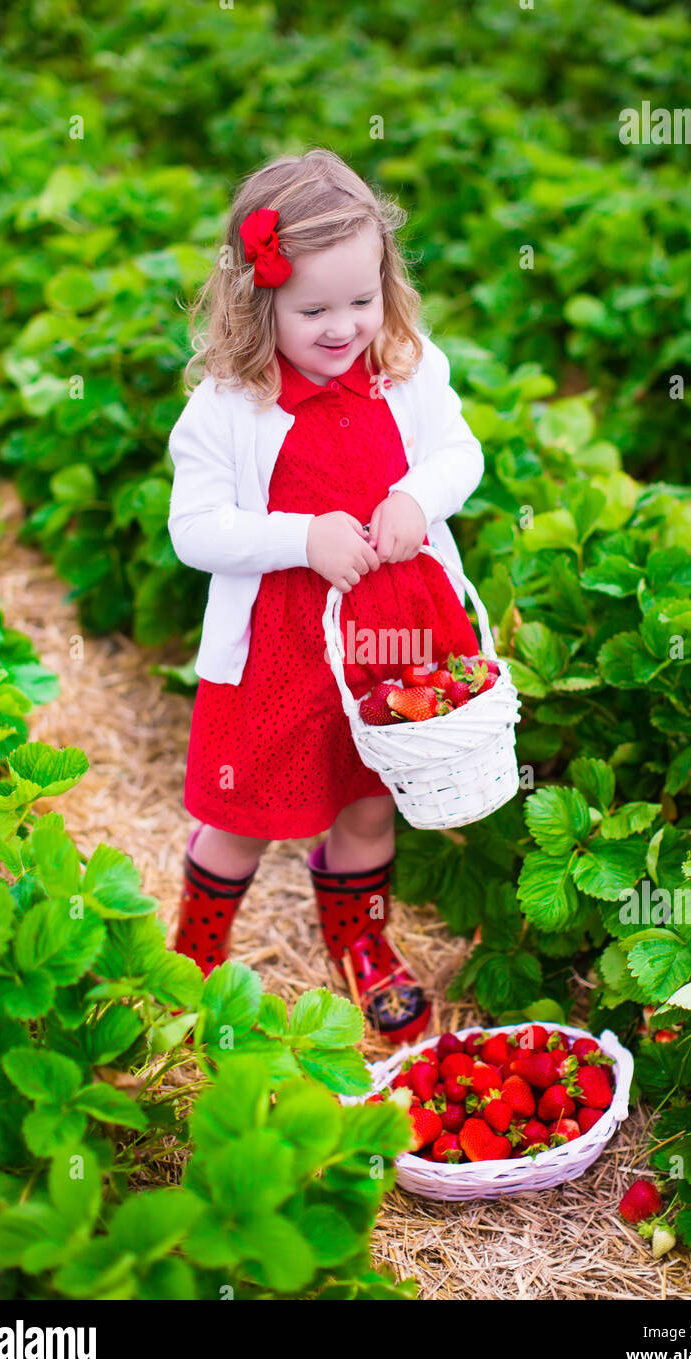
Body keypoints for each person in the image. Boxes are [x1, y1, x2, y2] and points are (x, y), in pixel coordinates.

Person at [166, 147, 484, 1044]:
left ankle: (362, 949)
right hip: (277, 647)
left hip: (388, 632)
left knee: (365, 800)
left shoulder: (409, 367)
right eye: (314, 310)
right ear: (257, 302)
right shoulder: (228, 406)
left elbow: (462, 456)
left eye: (361, 300)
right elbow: (195, 530)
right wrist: (299, 537)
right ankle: (194, 958)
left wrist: (417, 498)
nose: (343, 326)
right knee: (240, 814)